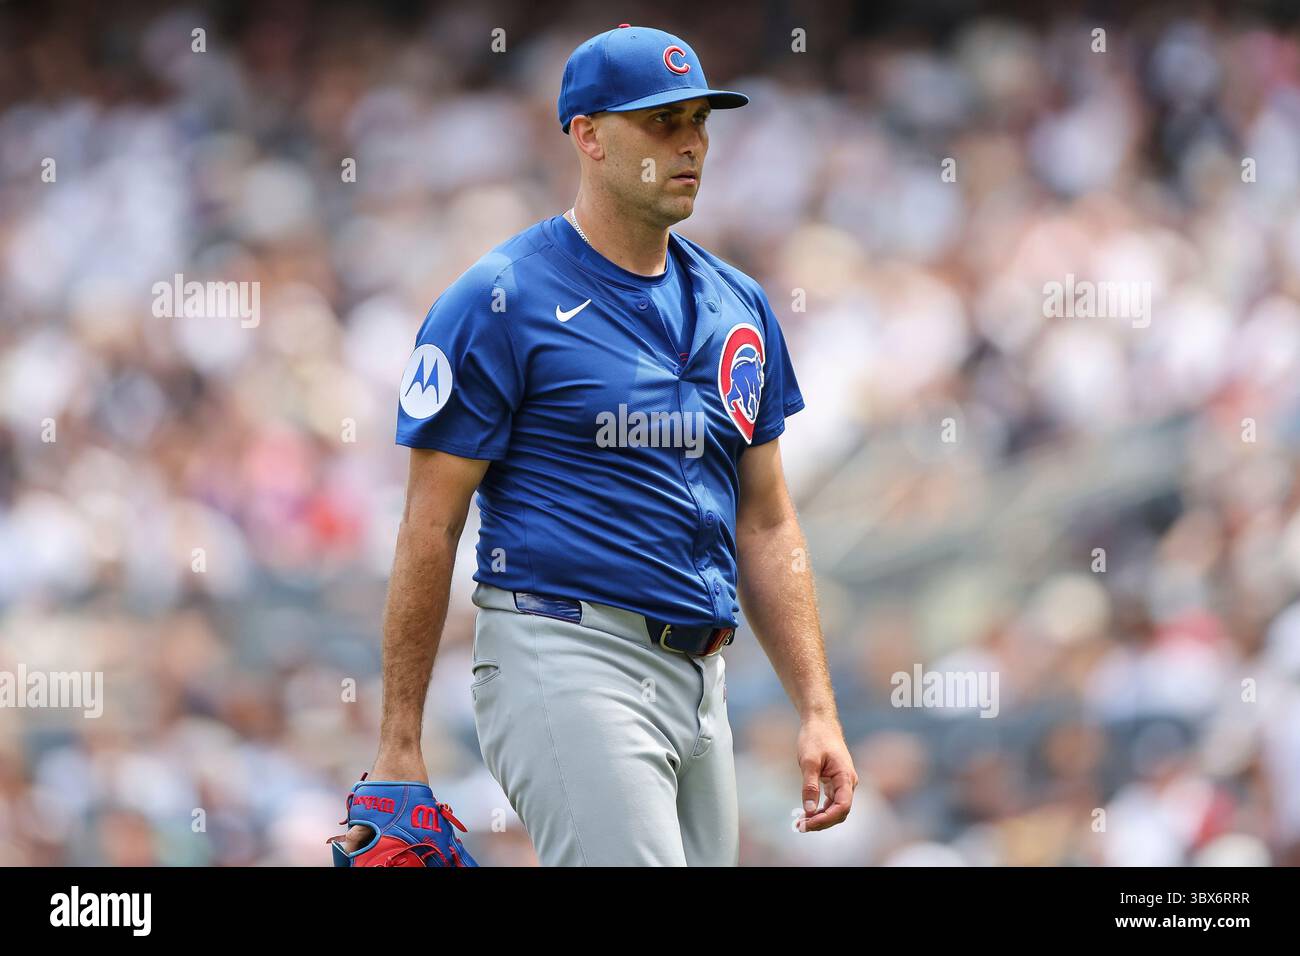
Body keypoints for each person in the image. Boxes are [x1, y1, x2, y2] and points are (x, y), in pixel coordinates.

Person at [340, 24, 856, 866]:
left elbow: (764, 521)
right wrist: (399, 743)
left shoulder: (739, 304)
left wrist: (817, 708)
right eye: (661, 122)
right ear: (588, 136)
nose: (690, 142)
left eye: (699, 121)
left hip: (701, 682)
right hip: (564, 652)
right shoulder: (500, 300)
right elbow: (429, 528)